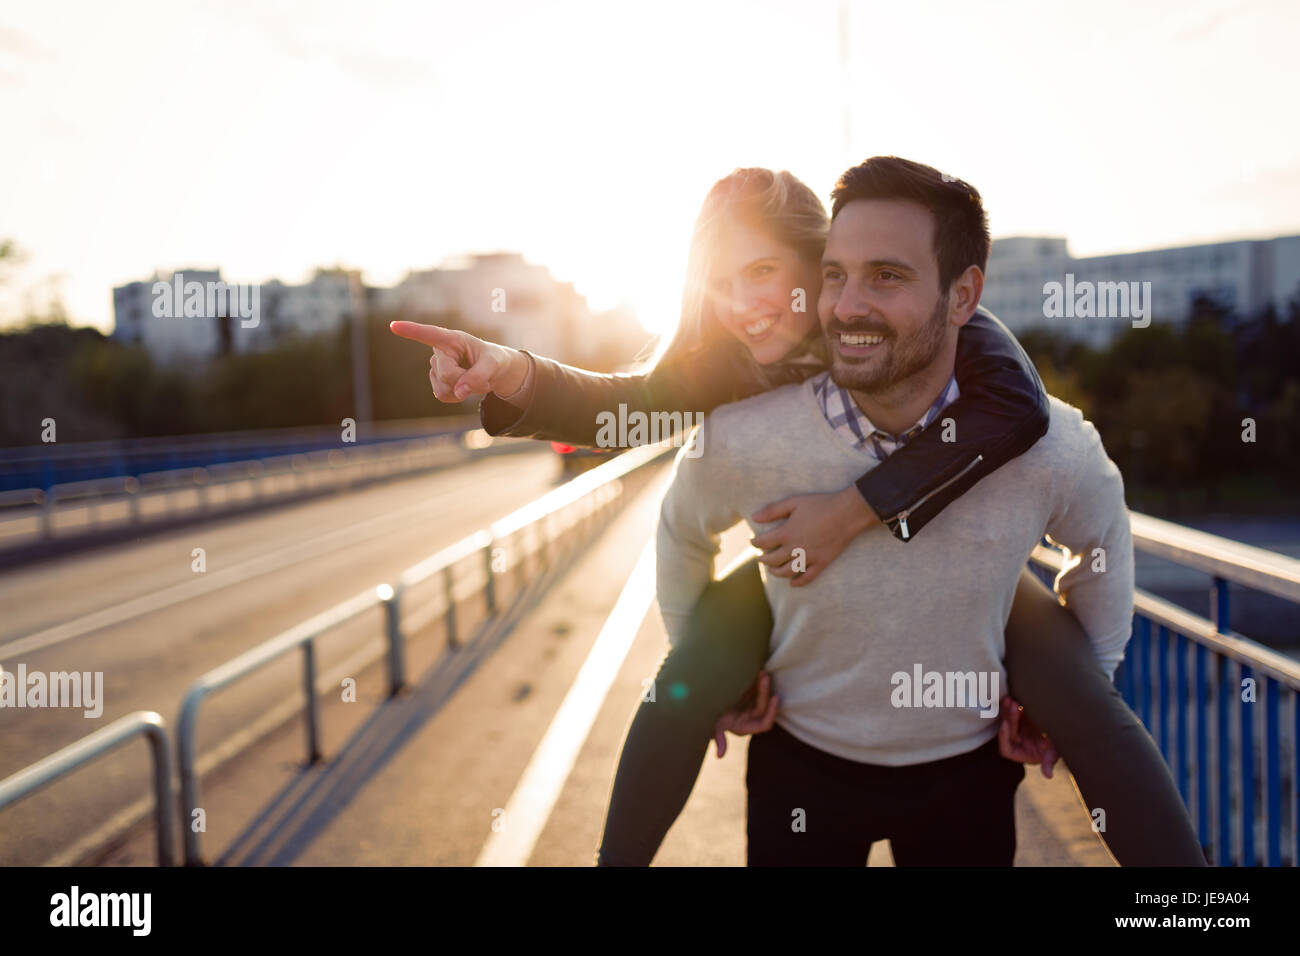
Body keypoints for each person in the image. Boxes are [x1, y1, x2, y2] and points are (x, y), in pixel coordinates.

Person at [390, 163, 1205, 866]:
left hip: (951, 581)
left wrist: (853, 510)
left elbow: (1021, 415)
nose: (747, 306)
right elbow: (621, 409)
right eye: (722, 283)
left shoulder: (966, 345)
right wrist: (511, 376)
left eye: (765, 274)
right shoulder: (732, 369)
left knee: (1084, 698)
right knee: (686, 683)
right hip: (786, 582)